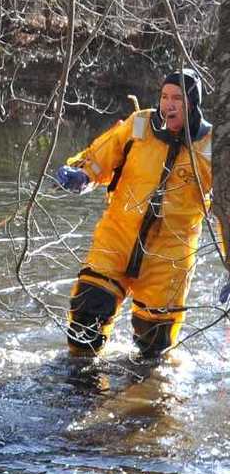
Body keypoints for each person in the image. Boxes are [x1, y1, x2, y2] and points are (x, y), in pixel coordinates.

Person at [54, 69, 214, 360]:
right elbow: (102, 155)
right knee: (86, 318)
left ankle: (144, 396)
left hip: (170, 256)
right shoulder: (139, 125)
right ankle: (77, 386)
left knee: (154, 351)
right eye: (165, 97)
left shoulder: (211, 148)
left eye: (177, 98)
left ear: (193, 104)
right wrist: (82, 174)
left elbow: (226, 210)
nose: (169, 105)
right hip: (117, 238)